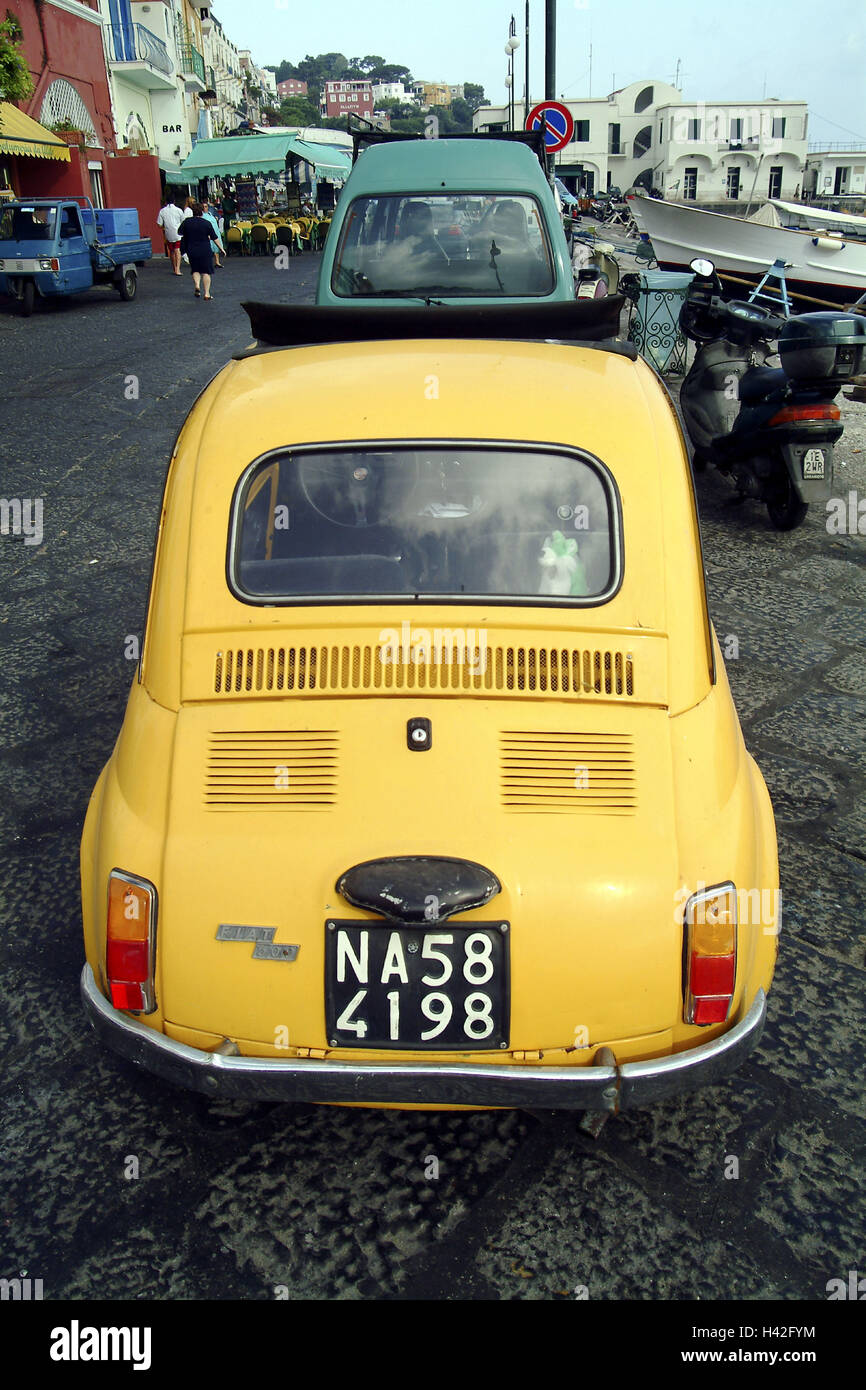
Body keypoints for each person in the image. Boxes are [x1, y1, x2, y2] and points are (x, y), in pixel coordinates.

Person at [179, 202, 215, 300]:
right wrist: (221, 249)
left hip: (191, 249)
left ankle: (197, 286)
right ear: (202, 212)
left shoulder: (187, 222)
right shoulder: (206, 223)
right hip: (204, 249)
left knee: (195, 270)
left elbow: (180, 232)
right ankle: (207, 293)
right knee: (206, 272)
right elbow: (214, 237)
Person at [156, 195, 184, 275]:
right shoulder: (179, 210)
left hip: (168, 233)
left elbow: (159, 224)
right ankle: (178, 269)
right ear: (174, 201)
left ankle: (174, 267)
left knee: (171, 251)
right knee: (177, 250)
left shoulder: (162, 211)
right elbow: (183, 221)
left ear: (166, 202)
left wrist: (164, 227)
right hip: (178, 233)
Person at [201, 199, 226, 269]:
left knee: (216, 248)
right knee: (208, 248)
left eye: (206, 206)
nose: (204, 208)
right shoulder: (201, 216)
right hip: (208, 233)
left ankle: (217, 262)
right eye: (203, 207)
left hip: (215, 231)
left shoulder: (210, 214)